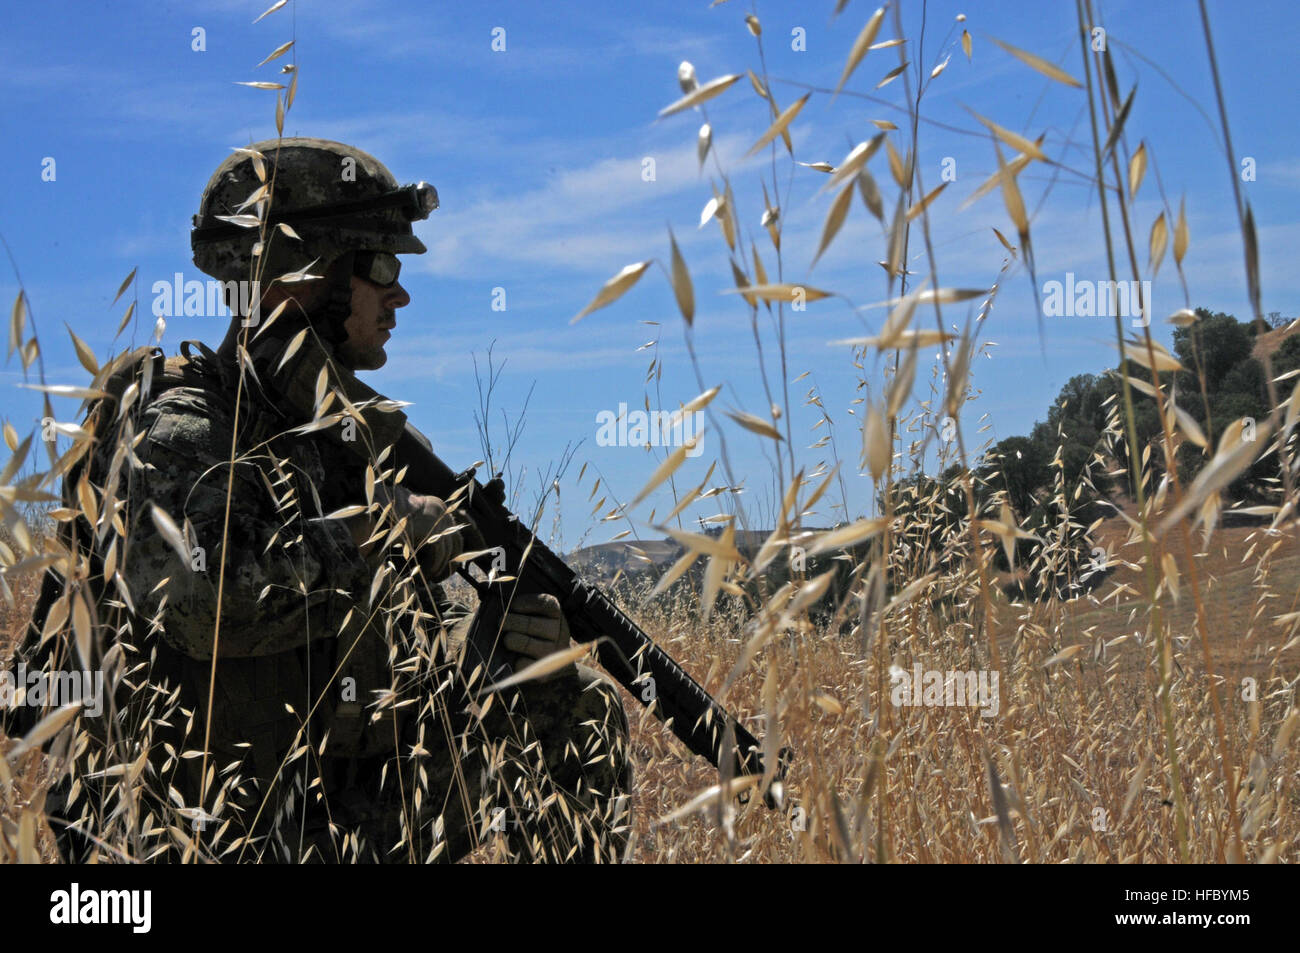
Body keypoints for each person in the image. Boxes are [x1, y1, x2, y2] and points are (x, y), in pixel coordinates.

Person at [22, 138, 631, 863]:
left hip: (321, 811)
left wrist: (504, 647)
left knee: (570, 702)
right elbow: (202, 595)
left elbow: (390, 675)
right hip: (198, 837)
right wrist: (389, 534)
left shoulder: (351, 444)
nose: (399, 293)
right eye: (381, 265)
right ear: (301, 273)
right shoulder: (185, 428)